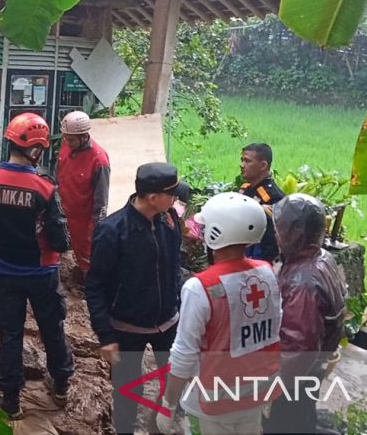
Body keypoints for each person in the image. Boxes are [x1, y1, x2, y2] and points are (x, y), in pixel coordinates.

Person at [0, 112, 73, 420]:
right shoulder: (45, 188)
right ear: (36, 150)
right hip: (43, 272)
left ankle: (10, 400)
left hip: (3, 271)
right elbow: (61, 240)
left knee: (10, 333)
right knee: (52, 327)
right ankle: (61, 384)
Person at [157, 192, 281, 435]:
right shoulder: (267, 273)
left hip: (212, 402)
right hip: (257, 393)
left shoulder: (200, 287)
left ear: (216, 232)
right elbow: (272, 331)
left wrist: (168, 404)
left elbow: (184, 354)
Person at [85, 162, 183, 434]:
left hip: (169, 323)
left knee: (173, 381)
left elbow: (175, 266)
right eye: (171, 194)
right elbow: (95, 285)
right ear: (153, 198)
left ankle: (158, 426)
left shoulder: (170, 220)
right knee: (127, 390)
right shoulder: (112, 231)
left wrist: (180, 308)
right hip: (126, 328)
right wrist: (105, 335)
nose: (176, 199)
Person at [263, 193, 346, 435]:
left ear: (295, 232)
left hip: (294, 381)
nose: (276, 233)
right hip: (312, 372)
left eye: (280, 227)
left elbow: (297, 349)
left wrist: (269, 389)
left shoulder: (303, 283)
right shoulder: (322, 257)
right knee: (302, 417)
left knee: (284, 424)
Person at [55, 110, 110, 277]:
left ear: (83, 136)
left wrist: (97, 227)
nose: (66, 142)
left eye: (70, 139)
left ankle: (89, 286)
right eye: (65, 137)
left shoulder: (99, 161)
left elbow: (101, 199)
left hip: (84, 219)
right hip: (62, 210)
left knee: (87, 255)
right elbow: (58, 172)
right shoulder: (67, 145)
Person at [239, 143, 285, 262]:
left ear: (263, 165)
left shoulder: (274, 197)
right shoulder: (245, 188)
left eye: (247, 161)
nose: (242, 165)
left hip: (259, 260)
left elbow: (271, 241)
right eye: (242, 160)